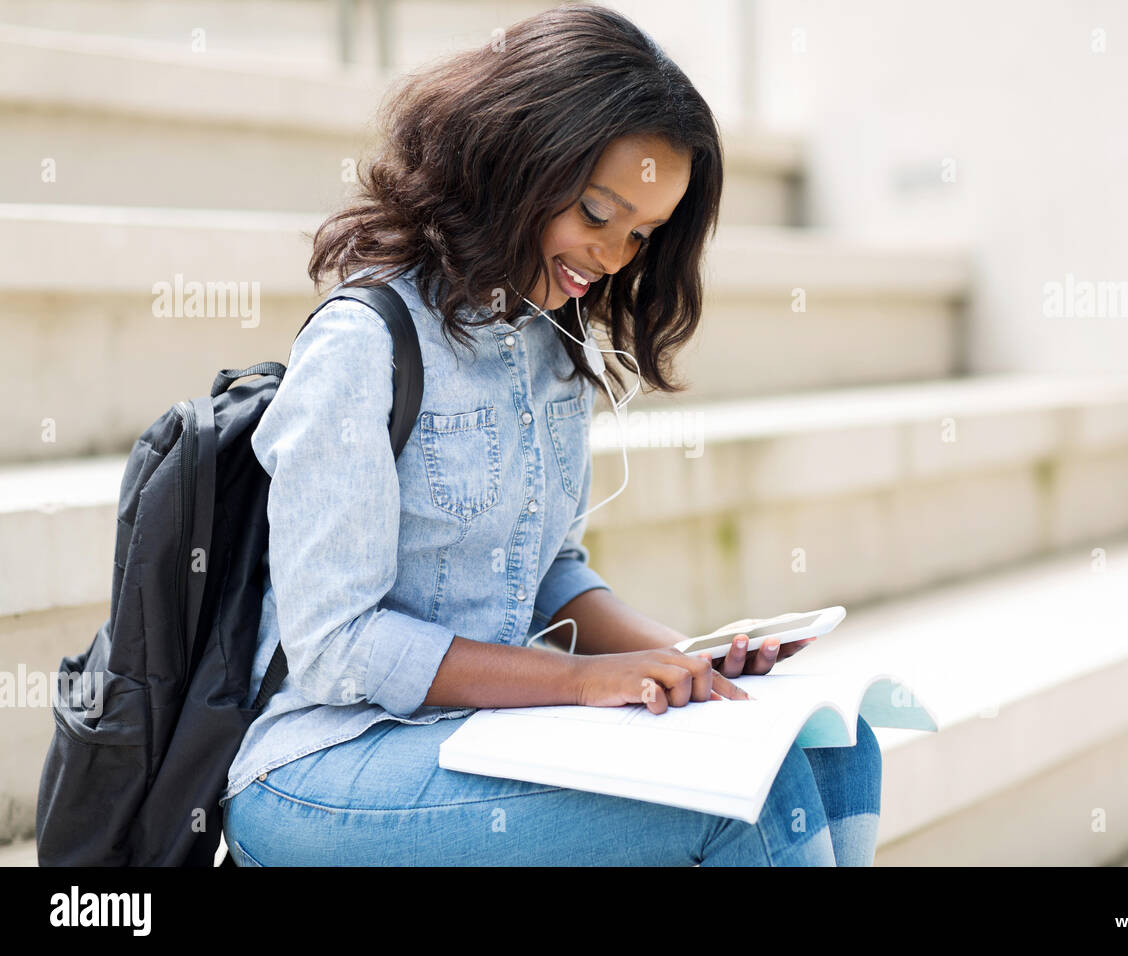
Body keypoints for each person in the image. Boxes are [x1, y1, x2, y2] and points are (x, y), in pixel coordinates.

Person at [220, 3, 881, 866]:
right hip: (327, 764)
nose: (613, 255)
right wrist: (576, 683)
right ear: (519, 160)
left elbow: (553, 574)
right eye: (597, 213)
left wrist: (685, 662)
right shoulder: (363, 344)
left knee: (836, 745)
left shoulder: (548, 342)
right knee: (746, 803)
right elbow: (336, 645)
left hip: (485, 733)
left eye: (641, 234)